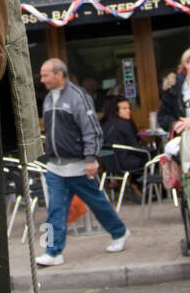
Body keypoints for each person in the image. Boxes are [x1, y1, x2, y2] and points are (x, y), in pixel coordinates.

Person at [35, 58, 128, 266]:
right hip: (55, 166)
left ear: (59, 75)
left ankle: (119, 232)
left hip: (78, 166)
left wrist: (90, 159)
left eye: (45, 75)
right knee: (55, 210)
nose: (42, 80)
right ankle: (52, 252)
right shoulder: (48, 98)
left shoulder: (78, 96)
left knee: (97, 203)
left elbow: (91, 129)